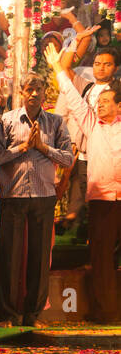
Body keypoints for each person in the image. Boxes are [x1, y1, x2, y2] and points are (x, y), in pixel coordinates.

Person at [0, 74, 74, 327]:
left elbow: (68, 159)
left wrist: (44, 148)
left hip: (44, 196)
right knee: (9, 258)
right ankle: (6, 314)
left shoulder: (56, 122)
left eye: (38, 89)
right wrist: (22, 148)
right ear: (22, 93)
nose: (34, 94)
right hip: (13, 196)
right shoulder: (7, 120)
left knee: (39, 258)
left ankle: (32, 315)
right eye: (29, 89)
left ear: (45, 93)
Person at [51, 43, 121, 323]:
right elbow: (72, 97)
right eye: (99, 102)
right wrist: (58, 68)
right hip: (103, 201)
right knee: (102, 258)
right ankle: (107, 312)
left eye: (105, 101)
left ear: (118, 105)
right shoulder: (91, 124)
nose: (99, 104)